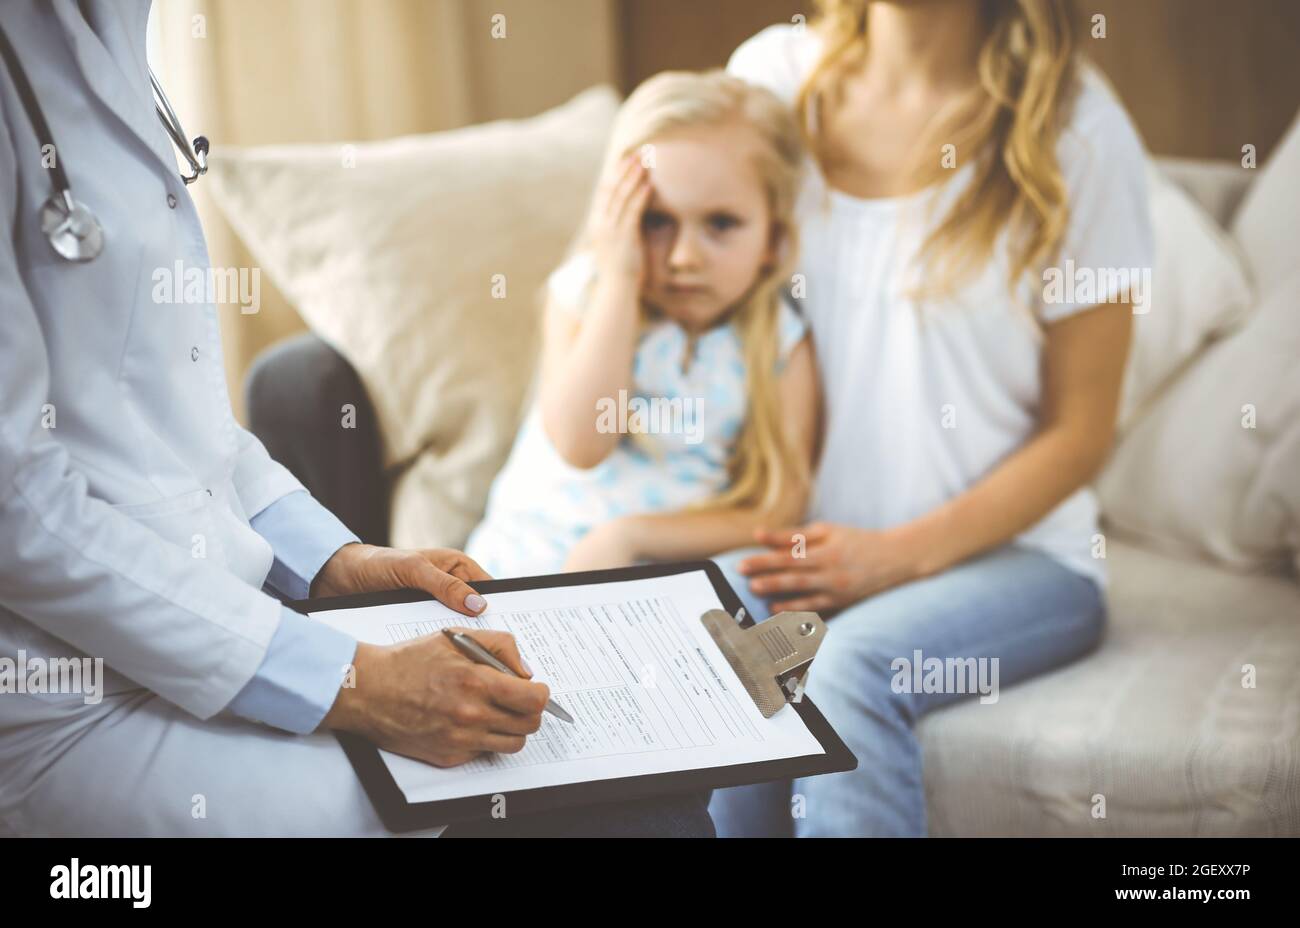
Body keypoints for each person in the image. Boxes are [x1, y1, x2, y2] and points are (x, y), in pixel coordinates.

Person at [0, 0, 712, 838]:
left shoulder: (108, 29)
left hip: (213, 628)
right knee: (596, 811)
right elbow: (20, 512)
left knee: (653, 784)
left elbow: (186, 428)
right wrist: (357, 682)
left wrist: (339, 561)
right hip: (67, 704)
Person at [709, 0, 1154, 836]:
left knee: (841, 669)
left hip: (1018, 560)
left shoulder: (1078, 131)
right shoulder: (771, 80)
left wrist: (896, 558)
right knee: (713, 631)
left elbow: (1082, 431)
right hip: (812, 547)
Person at [466, 70, 819, 579]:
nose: (683, 257)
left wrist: (630, 536)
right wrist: (619, 280)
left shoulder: (778, 340)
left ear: (773, 238)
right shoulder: (587, 295)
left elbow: (781, 510)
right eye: (655, 222)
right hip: (518, 566)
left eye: (720, 224)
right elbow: (581, 444)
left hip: (647, 580)